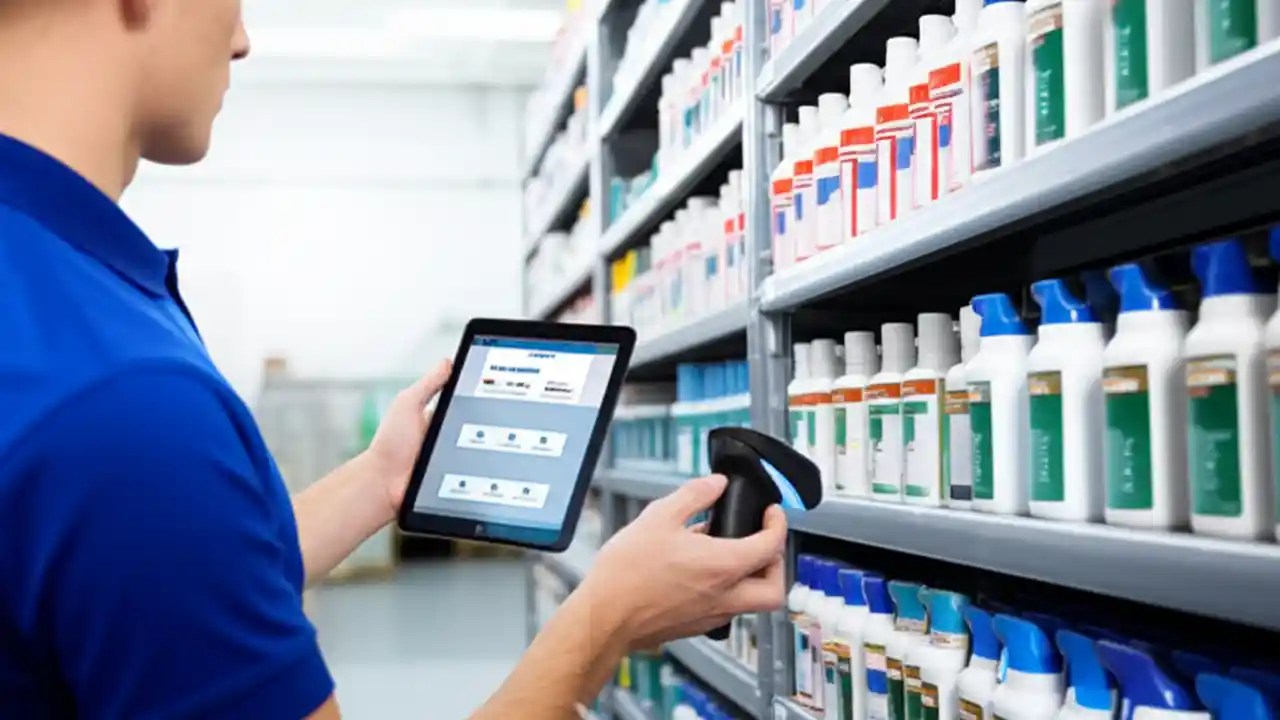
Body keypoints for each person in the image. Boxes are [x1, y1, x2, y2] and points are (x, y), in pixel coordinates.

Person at [0, 1, 788, 718]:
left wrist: (381, 480)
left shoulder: (58, 291)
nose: (241, 39)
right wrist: (606, 618)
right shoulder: (126, 391)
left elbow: (171, 575)